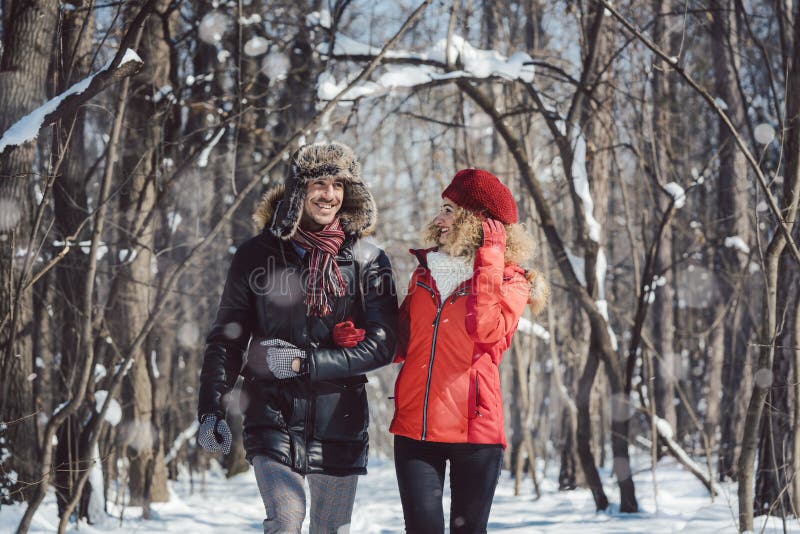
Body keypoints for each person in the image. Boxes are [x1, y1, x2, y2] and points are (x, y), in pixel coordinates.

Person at [196, 142, 398, 534]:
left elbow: (384, 344)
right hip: (271, 411)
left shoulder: (369, 260)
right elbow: (227, 339)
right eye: (319, 183)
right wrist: (211, 408)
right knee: (285, 520)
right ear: (297, 191)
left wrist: (307, 362)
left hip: (339, 418)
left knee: (330, 530)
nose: (330, 194)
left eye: (339, 184)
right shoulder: (257, 255)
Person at [389, 168, 548, 534]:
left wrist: (489, 261)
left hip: (474, 434)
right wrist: (359, 336)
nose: (437, 219)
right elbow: (403, 342)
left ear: (476, 219)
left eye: (448, 209)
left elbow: (487, 331)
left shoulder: (511, 280)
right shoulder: (425, 273)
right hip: (416, 428)